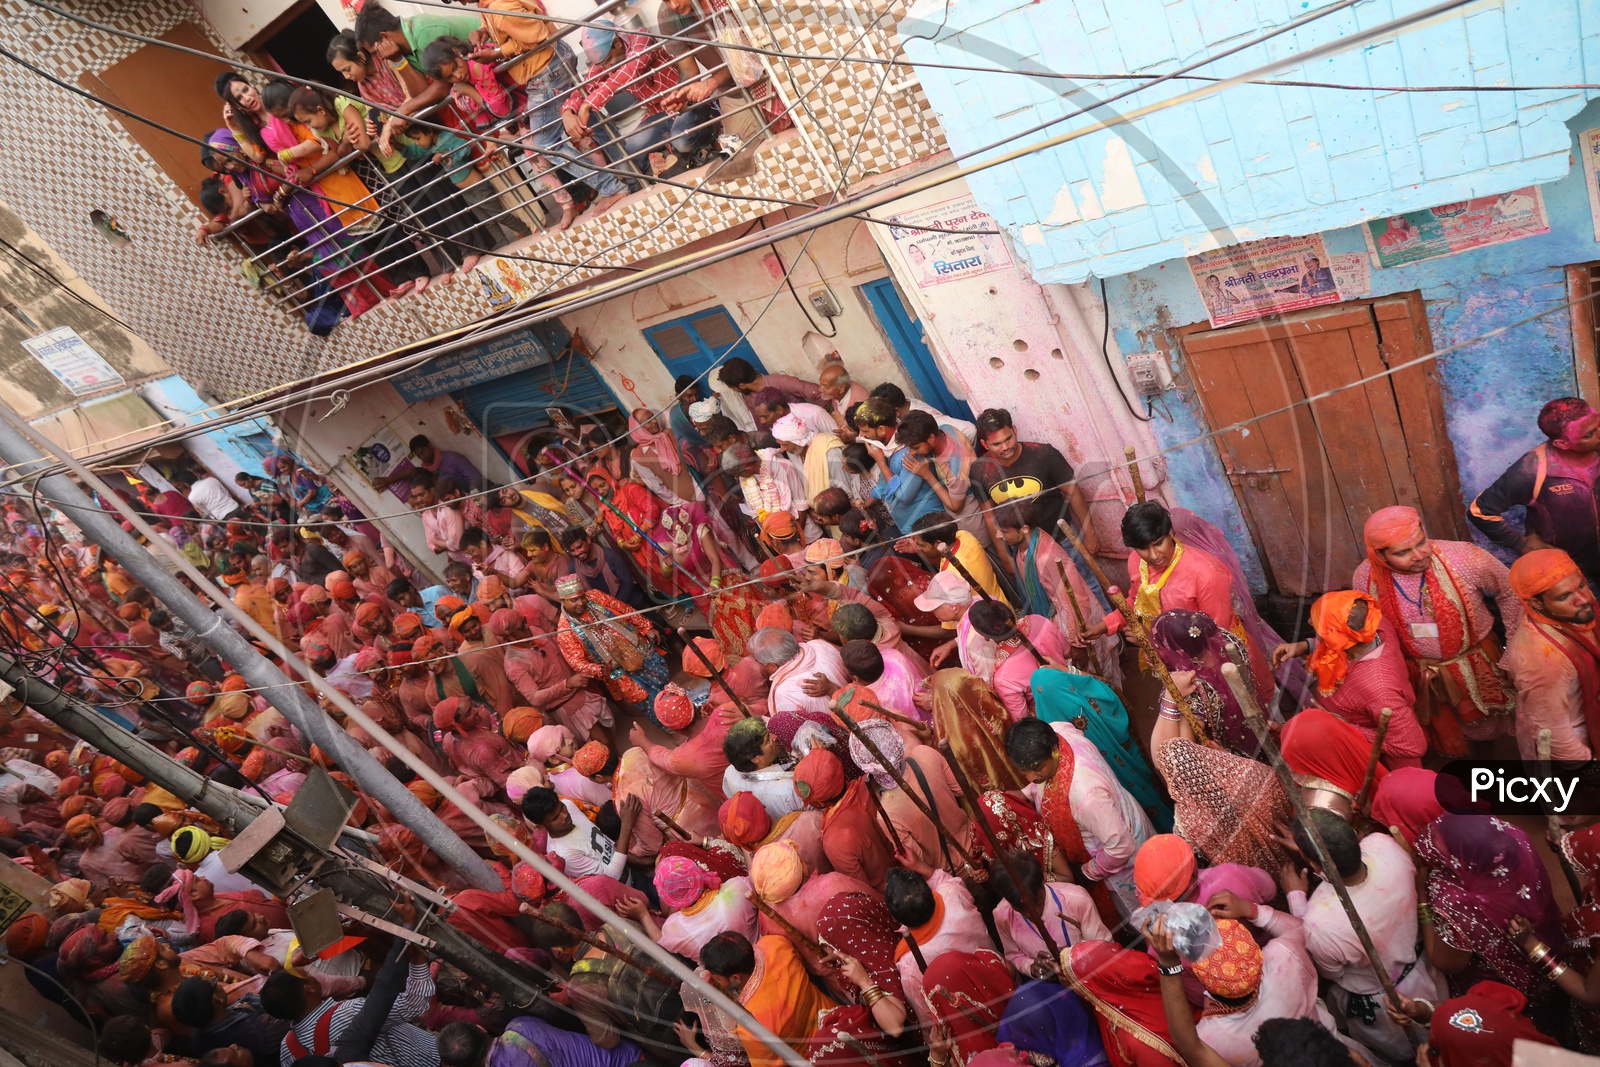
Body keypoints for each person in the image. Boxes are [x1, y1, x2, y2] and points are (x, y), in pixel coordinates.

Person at [1275, 808, 1446, 1061]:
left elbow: (1331, 972)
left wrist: (1296, 897)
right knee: (1442, 1034)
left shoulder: (1319, 921)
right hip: (1428, 975)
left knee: (1414, 1054)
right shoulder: (1383, 844)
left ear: (1313, 864)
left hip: (1385, 1006)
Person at [1355, 505, 1518, 755]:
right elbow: (1372, 629)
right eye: (1403, 552)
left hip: (1476, 661)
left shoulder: (1463, 558)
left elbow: (1511, 590)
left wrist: (1513, 651)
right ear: (1380, 556)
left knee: (1488, 729)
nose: (1419, 555)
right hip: (1419, 673)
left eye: (1421, 542)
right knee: (1445, 732)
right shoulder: (1365, 577)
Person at [1091, 503, 1273, 700]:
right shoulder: (1136, 560)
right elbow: (1136, 601)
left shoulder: (1206, 572)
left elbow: (1214, 635)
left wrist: (1151, 642)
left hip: (1220, 663)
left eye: (1158, 543)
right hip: (1175, 664)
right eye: (1143, 548)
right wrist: (1105, 625)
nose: (1153, 555)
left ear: (1170, 533)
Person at [1415, 814, 1565, 1022]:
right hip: (1548, 956)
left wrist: (1422, 898)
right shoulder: (1514, 846)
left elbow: (1446, 963)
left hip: (1500, 991)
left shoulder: (1457, 901)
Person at [1006, 717, 1152, 921]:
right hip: (1111, 819)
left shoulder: (1085, 796)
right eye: (1023, 770)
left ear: (1054, 749)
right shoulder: (1058, 730)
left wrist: (1087, 873)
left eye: (1037, 768)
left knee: (1150, 916)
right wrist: (1026, 793)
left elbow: (1121, 847)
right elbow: (1039, 780)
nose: (1031, 778)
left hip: (1125, 863)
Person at [1270, 589, 1425, 767]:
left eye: (1317, 624)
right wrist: (1307, 645)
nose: (1309, 622)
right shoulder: (1374, 623)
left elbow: (1411, 746)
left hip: (1379, 760)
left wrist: (1342, 726)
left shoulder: (1379, 690)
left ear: (1336, 639)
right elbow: (1344, 636)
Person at [1470, 396, 1600, 591]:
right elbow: (1480, 511)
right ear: (1562, 444)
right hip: (1566, 569)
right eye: (1589, 434)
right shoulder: (1532, 469)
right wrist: (1520, 543)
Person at [259, 937, 438, 1067]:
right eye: (308, 974)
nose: (314, 975)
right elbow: (414, 1003)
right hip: (433, 1061)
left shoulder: (288, 1051)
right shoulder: (349, 1012)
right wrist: (418, 960)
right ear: (309, 988)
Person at [1032, 668, 1170, 830]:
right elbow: (1113, 700)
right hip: (1129, 760)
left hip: (1107, 785)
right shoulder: (1091, 696)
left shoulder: (1055, 736)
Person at [1500, 547, 1600, 761]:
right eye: (1564, 596)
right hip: (1579, 738)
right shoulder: (1542, 660)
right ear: (1536, 603)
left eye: (1581, 585)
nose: (1583, 599)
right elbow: (1553, 732)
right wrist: (1586, 765)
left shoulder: (1565, 609)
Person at [969, 407, 1093, 568]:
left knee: (1084, 580)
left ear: (1014, 430)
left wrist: (1090, 534)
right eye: (997, 444)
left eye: (1008, 439)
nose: (1005, 447)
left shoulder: (1043, 454)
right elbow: (989, 516)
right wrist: (1004, 554)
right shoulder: (979, 470)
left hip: (1062, 540)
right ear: (985, 444)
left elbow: (1073, 492)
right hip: (1023, 551)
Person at [701, 931, 834, 1067]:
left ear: (735, 978)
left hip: (821, 1058)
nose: (715, 980)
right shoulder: (775, 943)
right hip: (836, 1018)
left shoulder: (752, 1025)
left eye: (718, 979)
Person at [552, 575, 669, 711]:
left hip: (641, 650)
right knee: (653, 705)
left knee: (668, 687)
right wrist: (598, 669)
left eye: (582, 597)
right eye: (574, 600)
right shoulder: (565, 631)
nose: (581, 602)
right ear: (562, 601)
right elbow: (577, 662)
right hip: (620, 674)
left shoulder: (595, 596)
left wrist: (646, 627)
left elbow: (624, 610)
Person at [954, 599, 1067, 720]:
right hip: (1073, 687)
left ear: (985, 637)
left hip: (1054, 719)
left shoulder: (1003, 677)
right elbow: (1068, 652)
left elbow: (1022, 719)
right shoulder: (1039, 620)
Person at [559, 525, 643, 608]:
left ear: (588, 540)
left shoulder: (610, 556)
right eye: (572, 551)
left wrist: (612, 608)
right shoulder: (574, 568)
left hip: (632, 606)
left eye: (579, 547)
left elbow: (627, 583)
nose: (577, 553)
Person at [717, 357, 823, 409]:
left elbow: (821, 393)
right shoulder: (748, 397)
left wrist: (819, 416)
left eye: (733, 388)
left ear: (741, 385)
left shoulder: (781, 382)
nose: (734, 391)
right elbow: (761, 423)